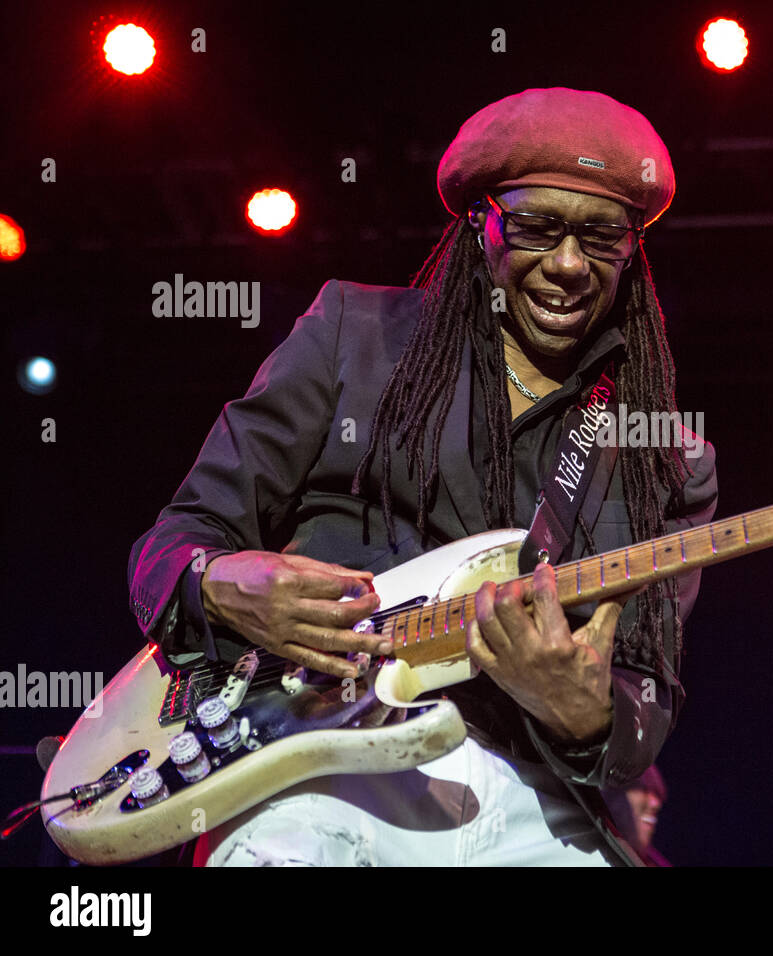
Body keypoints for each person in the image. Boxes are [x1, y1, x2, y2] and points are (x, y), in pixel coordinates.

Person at [128, 88, 717, 866]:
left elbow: (647, 702)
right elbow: (175, 543)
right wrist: (218, 581)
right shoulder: (352, 335)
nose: (570, 266)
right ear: (480, 225)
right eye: (538, 227)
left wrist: (587, 716)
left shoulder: (667, 455)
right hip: (318, 766)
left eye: (603, 238)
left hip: (531, 801)